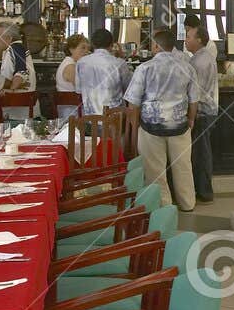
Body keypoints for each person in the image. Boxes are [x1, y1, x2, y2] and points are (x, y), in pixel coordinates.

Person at [126, 29, 199, 212]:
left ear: (156, 45)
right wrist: (191, 120)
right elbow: (194, 99)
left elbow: (133, 103)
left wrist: (134, 127)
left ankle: (164, 205)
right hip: (179, 126)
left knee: (155, 170)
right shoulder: (188, 67)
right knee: (183, 167)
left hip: (151, 128)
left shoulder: (145, 68)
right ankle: (187, 203)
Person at [185, 22, 219, 203]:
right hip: (204, 112)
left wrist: (191, 115)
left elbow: (195, 93)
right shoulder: (200, 58)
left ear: (199, 40)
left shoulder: (200, 61)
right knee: (199, 153)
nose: (186, 40)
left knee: (201, 154)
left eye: (189, 36)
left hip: (203, 113)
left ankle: (204, 192)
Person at [75, 28, 130, 115]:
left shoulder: (81, 62)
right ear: (111, 44)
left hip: (89, 117)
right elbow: (128, 90)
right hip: (115, 119)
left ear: (92, 44)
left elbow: (78, 90)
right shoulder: (119, 63)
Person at [54, 33, 90, 120]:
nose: (86, 51)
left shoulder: (73, 64)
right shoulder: (70, 66)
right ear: (71, 49)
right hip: (70, 111)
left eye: (87, 48)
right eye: (83, 48)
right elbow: (80, 87)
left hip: (73, 107)